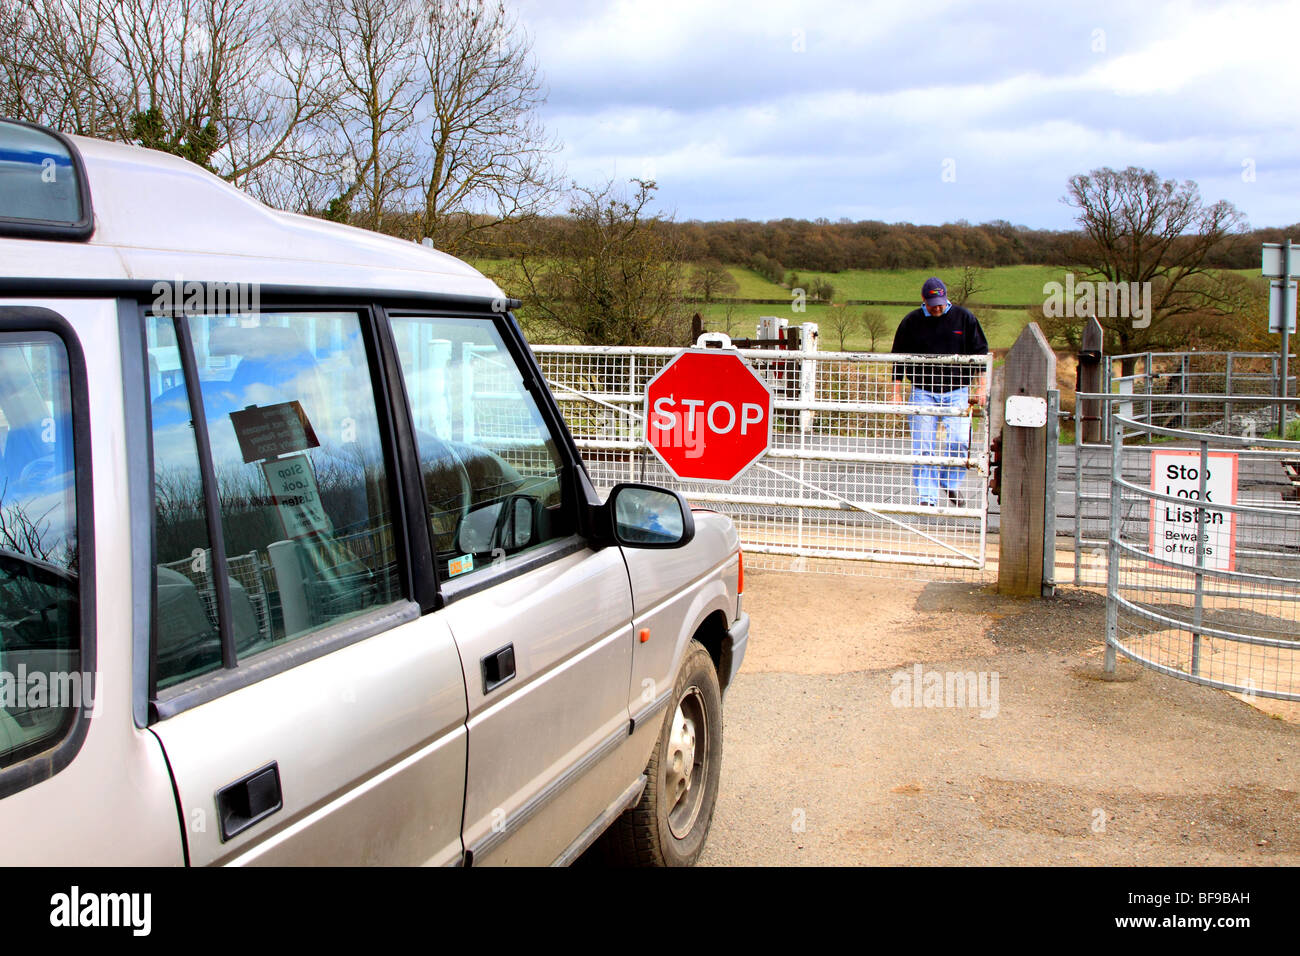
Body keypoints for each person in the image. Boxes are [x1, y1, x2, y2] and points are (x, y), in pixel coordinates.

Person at [891, 277, 989, 507]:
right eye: (932, 303)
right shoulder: (911, 321)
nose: (937, 307)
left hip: (957, 391)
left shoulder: (965, 319)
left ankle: (948, 482)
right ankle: (927, 498)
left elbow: (981, 355)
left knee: (960, 441)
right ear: (923, 300)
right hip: (922, 391)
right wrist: (895, 393)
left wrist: (981, 387)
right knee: (923, 446)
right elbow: (898, 360)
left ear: (946, 299)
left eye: (941, 302)